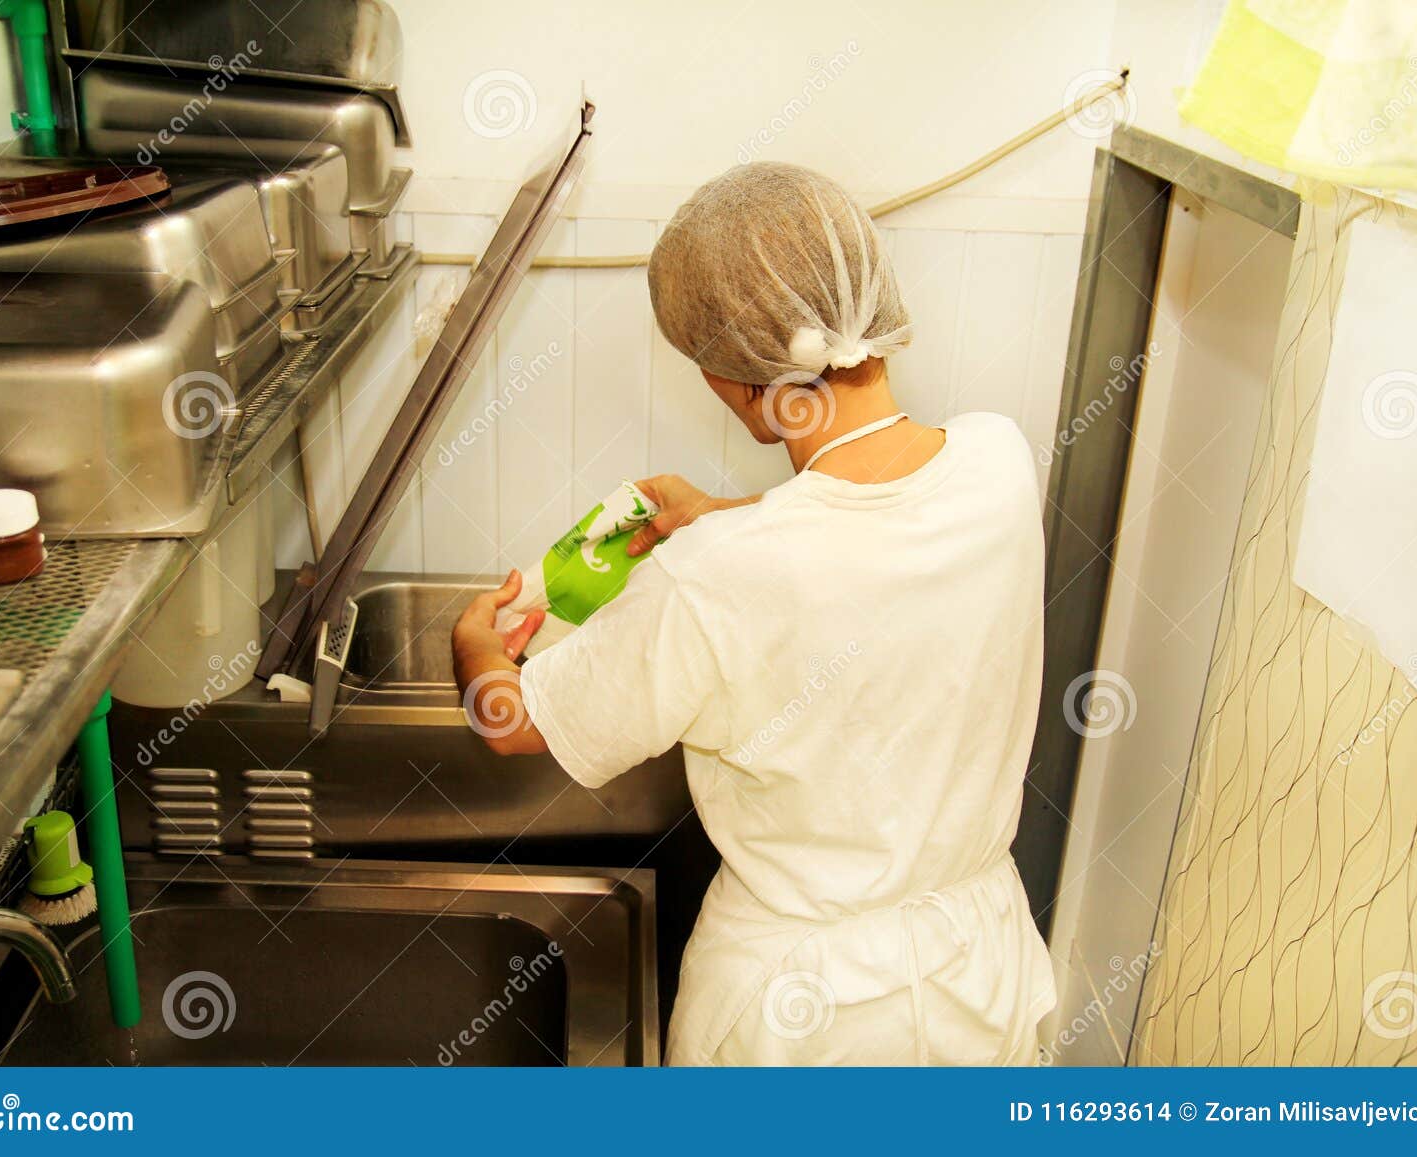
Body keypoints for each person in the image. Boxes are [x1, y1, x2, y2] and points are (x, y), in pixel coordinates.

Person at [452, 162, 1055, 1065]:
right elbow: (870, 542)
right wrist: (721, 515)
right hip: (981, 975)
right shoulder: (1000, 462)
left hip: (805, 1020)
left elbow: (514, 726)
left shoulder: (712, 581)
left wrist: (474, 643)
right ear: (870, 300)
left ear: (736, 384)